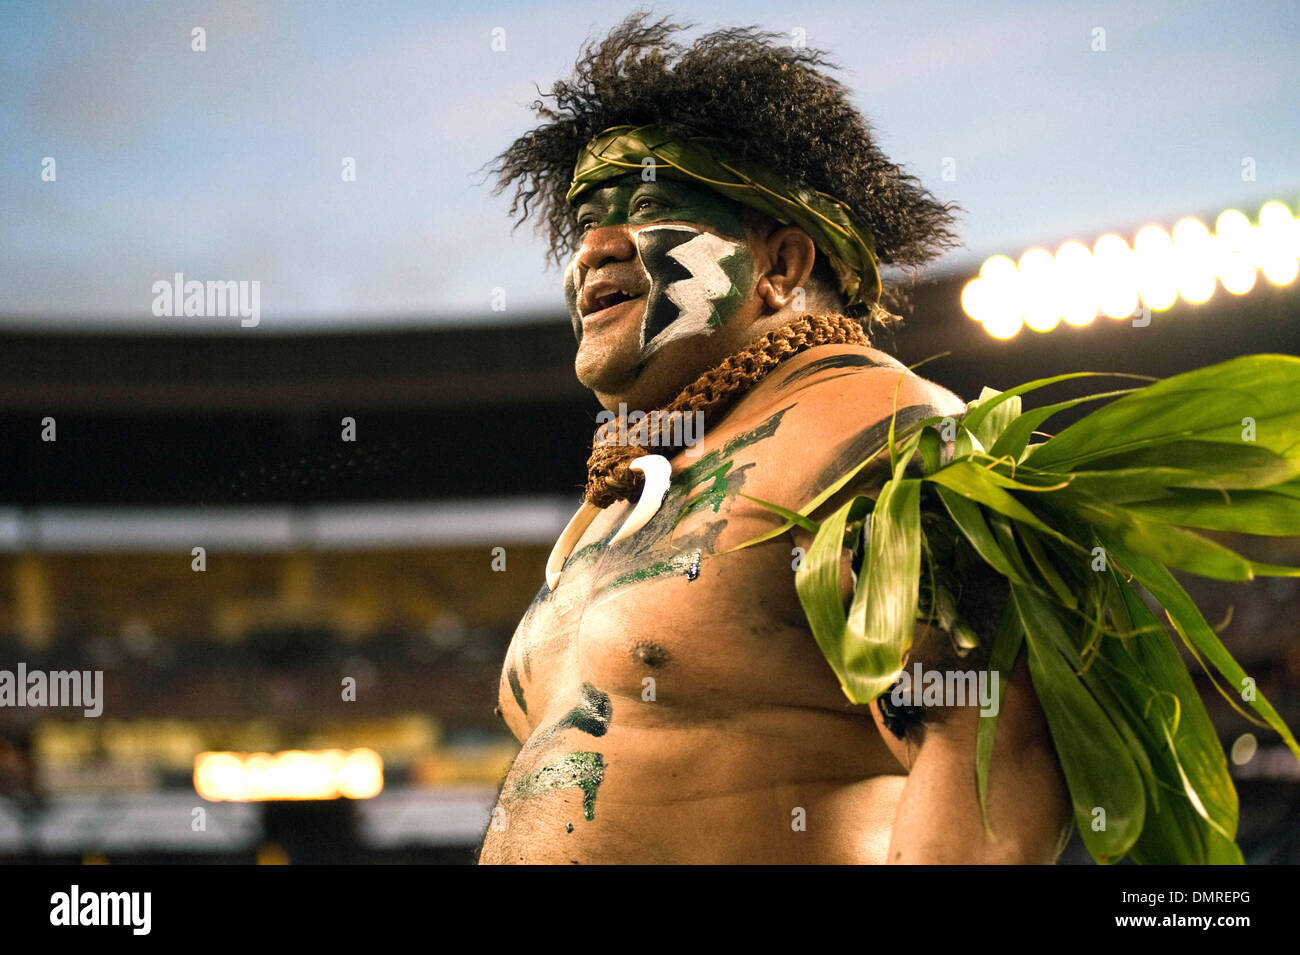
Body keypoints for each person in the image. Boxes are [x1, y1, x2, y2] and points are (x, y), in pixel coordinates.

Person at [477, 14, 1071, 864]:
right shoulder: (624, 497)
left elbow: (988, 743)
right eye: (586, 222)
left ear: (780, 266)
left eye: (646, 208)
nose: (593, 250)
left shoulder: (875, 426)